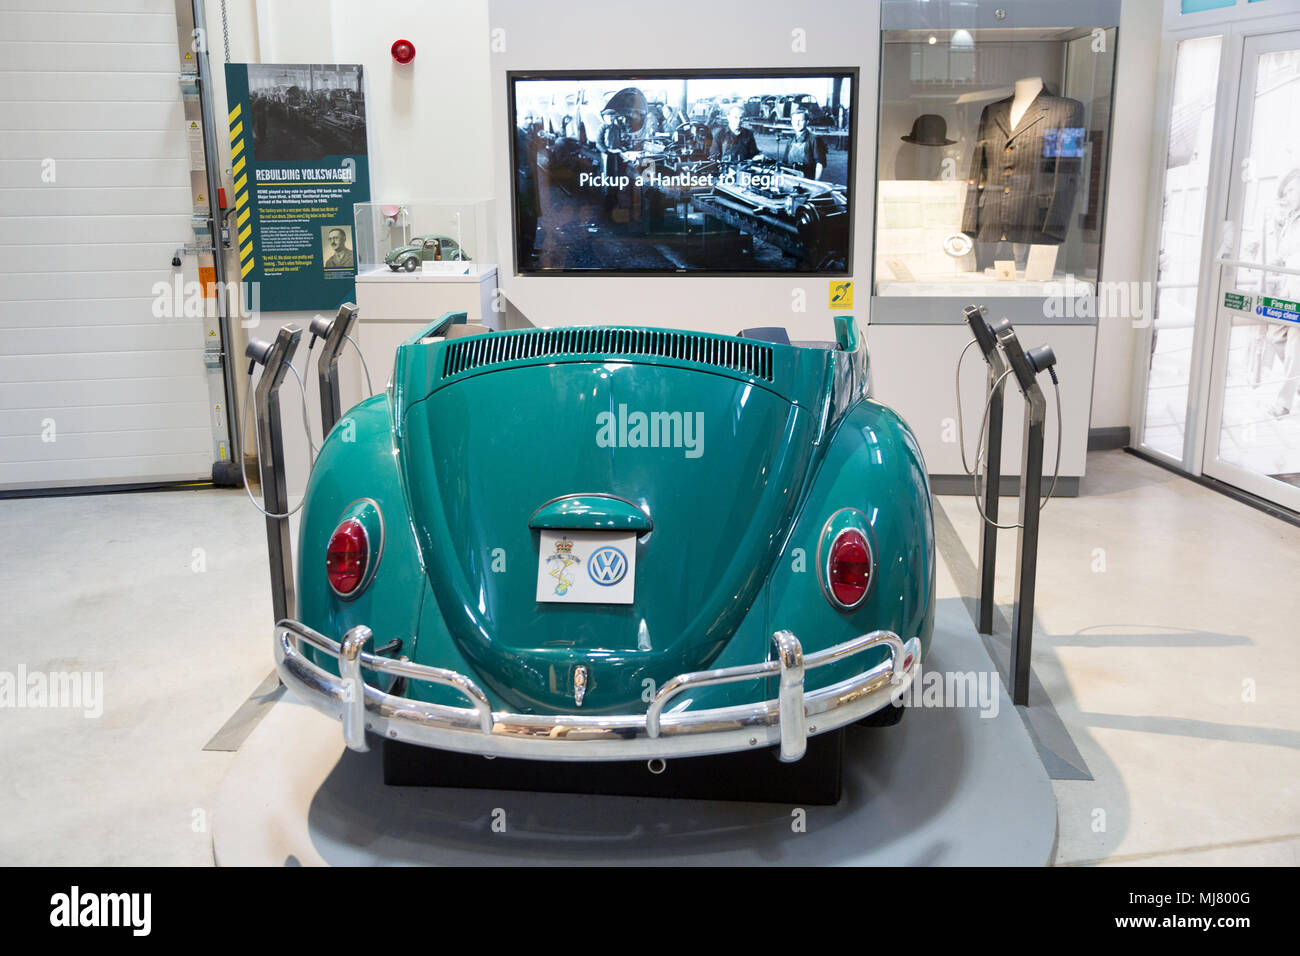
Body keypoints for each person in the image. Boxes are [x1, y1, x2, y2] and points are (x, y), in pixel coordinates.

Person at [1265, 167, 1300, 416]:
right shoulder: (1291, 218)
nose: (1287, 194)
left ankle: (1284, 403)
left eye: (1291, 189)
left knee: (1294, 350)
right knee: (1274, 337)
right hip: (1287, 290)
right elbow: (1283, 253)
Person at [780, 108, 827, 180]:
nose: (797, 123)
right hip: (791, 179)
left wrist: (815, 182)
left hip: (807, 180)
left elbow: (819, 164)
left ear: (807, 122)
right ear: (792, 122)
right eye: (794, 121)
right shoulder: (790, 141)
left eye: (800, 120)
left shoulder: (814, 139)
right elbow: (785, 163)